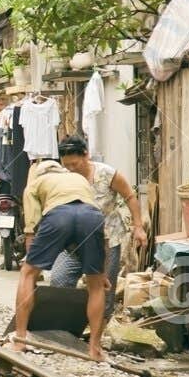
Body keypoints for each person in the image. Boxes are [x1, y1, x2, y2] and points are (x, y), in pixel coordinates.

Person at [14, 159, 109, 361]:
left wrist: (32, 259)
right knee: (96, 284)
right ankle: (94, 349)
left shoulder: (35, 184)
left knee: (27, 275)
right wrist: (103, 271)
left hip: (58, 215)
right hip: (91, 217)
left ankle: (20, 339)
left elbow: (31, 226)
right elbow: (90, 218)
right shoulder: (78, 179)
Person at [49, 135, 147, 317]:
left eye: (75, 164)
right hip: (73, 242)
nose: (71, 169)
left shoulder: (106, 174)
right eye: (66, 165)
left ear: (86, 155)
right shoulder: (63, 177)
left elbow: (130, 196)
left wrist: (138, 227)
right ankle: (69, 325)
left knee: (104, 291)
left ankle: (97, 336)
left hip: (106, 242)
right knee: (59, 280)